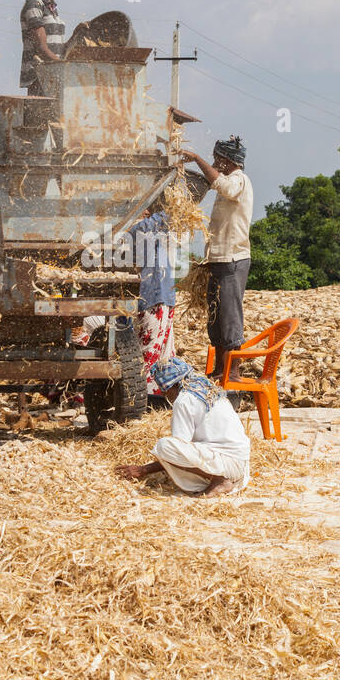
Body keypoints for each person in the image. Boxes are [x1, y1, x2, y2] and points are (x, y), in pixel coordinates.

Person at [116, 357, 250, 497]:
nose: (164, 395)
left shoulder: (184, 400)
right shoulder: (207, 388)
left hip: (228, 466)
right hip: (241, 466)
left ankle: (220, 479)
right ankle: (219, 478)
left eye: (165, 390)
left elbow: (178, 450)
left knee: (164, 446)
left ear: (171, 387)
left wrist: (143, 470)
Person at [182, 135, 253, 382]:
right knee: (216, 316)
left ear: (226, 160)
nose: (214, 163)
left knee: (230, 315)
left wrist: (197, 159)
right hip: (219, 259)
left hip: (233, 260)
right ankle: (220, 370)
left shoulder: (239, 181)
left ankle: (233, 372)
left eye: (217, 159)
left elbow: (224, 186)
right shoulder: (227, 181)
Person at [130, 208, 176, 402]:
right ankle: (145, 399)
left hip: (165, 296)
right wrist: (170, 208)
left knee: (166, 355)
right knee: (149, 353)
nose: (147, 211)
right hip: (153, 298)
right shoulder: (136, 228)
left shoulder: (152, 228)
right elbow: (165, 217)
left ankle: (162, 396)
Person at [20, 0, 68, 97]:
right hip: (39, 80)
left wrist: (78, 34)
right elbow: (42, 48)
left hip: (54, 77)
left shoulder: (51, 8)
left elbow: (59, 49)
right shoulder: (34, 4)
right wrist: (66, 68)